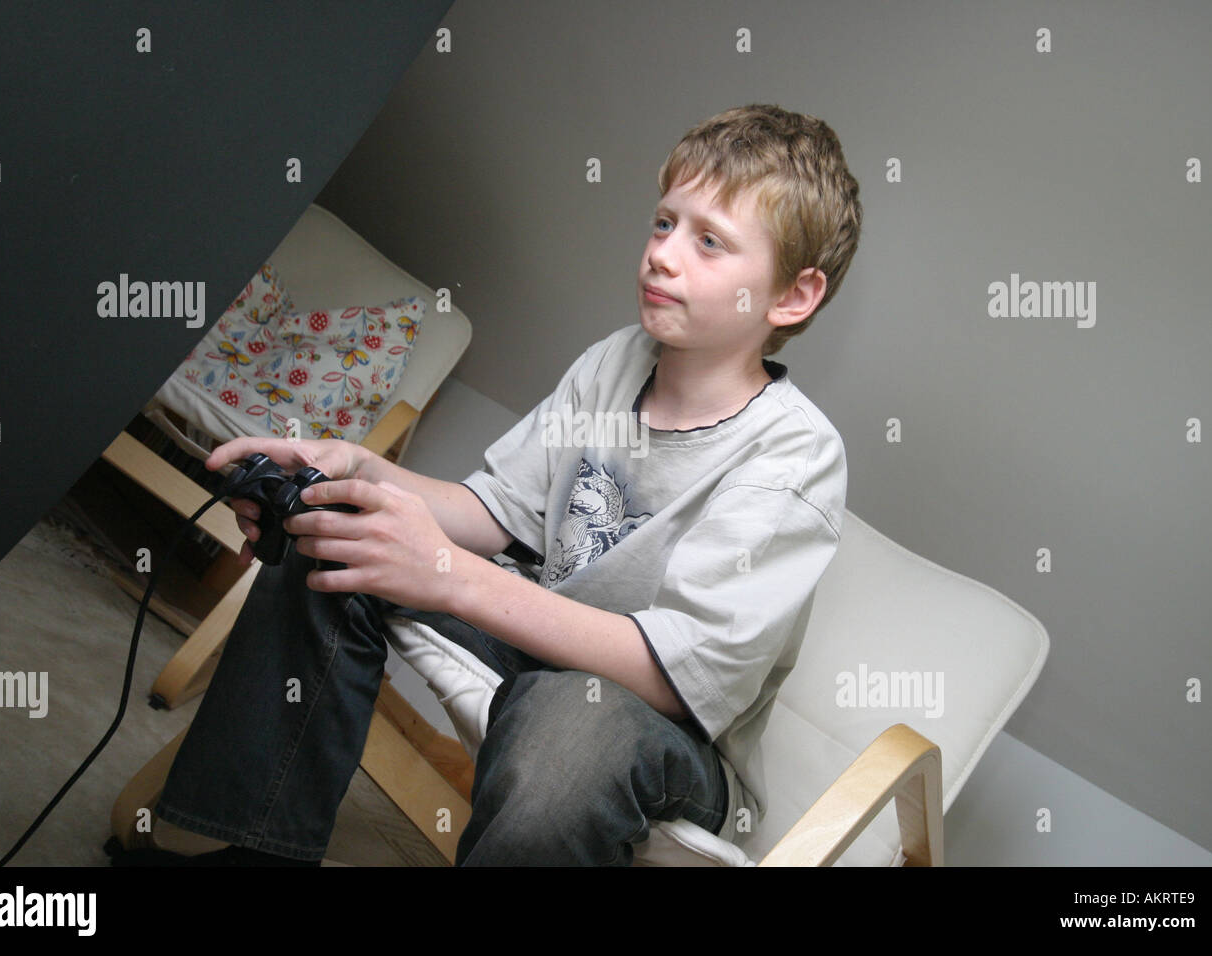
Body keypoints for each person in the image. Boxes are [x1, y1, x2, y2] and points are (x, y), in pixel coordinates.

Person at [121, 103, 860, 866]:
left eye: (710, 242)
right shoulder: (616, 360)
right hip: (539, 653)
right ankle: (259, 849)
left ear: (792, 297)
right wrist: (360, 471)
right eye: (664, 223)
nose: (663, 255)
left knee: (574, 719)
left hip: (661, 735)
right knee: (342, 534)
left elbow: (674, 676)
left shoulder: (793, 460)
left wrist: (447, 576)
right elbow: (493, 511)